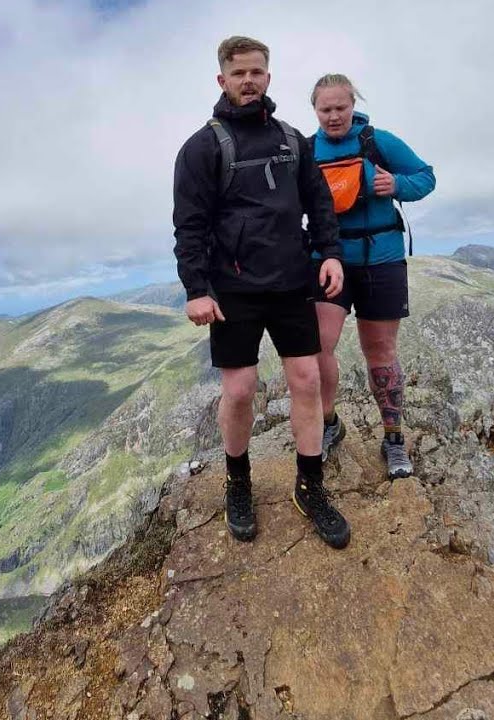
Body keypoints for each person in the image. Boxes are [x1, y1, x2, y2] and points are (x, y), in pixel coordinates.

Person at [173, 37, 350, 549]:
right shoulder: (203, 147)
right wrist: (196, 289)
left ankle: (309, 487)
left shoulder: (293, 140)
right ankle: (237, 480)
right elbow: (189, 225)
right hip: (232, 291)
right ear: (222, 80)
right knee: (240, 389)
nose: (248, 80)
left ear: (269, 77)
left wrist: (331, 252)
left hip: (291, 282)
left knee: (307, 380)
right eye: (238, 73)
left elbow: (318, 203)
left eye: (257, 72)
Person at [308, 74, 435, 479]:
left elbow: (426, 177)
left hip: (382, 258)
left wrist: (395, 183)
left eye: (340, 108)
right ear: (315, 110)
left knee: (380, 352)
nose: (333, 116)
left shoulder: (379, 142)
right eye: (325, 109)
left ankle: (394, 439)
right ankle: (330, 424)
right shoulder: (307, 150)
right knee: (317, 346)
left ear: (353, 105)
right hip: (327, 261)